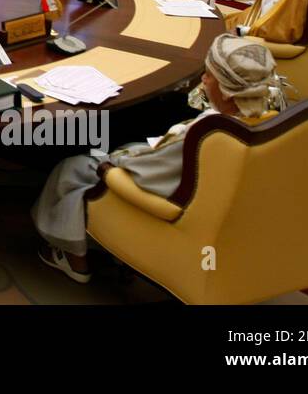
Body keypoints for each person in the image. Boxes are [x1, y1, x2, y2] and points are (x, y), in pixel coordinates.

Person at [33, 34, 288, 283]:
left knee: (74, 166)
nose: (203, 79)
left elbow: (141, 169)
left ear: (228, 91)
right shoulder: (271, 117)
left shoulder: (209, 135)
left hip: (168, 204)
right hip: (227, 210)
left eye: (209, 75)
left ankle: (71, 254)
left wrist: (110, 164)